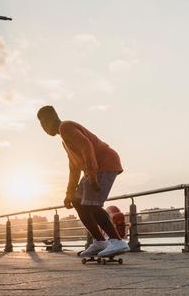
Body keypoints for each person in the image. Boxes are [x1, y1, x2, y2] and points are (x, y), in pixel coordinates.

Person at [37, 105, 129, 256]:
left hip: (104, 163)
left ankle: (117, 241)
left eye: (42, 124)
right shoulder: (64, 140)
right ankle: (100, 241)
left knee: (92, 204)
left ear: (49, 120)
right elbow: (73, 168)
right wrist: (69, 193)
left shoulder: (66, 127)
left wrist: (92, 176)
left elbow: (87, 147)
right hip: (93, 168)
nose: (43, 129)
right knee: (77, 201)